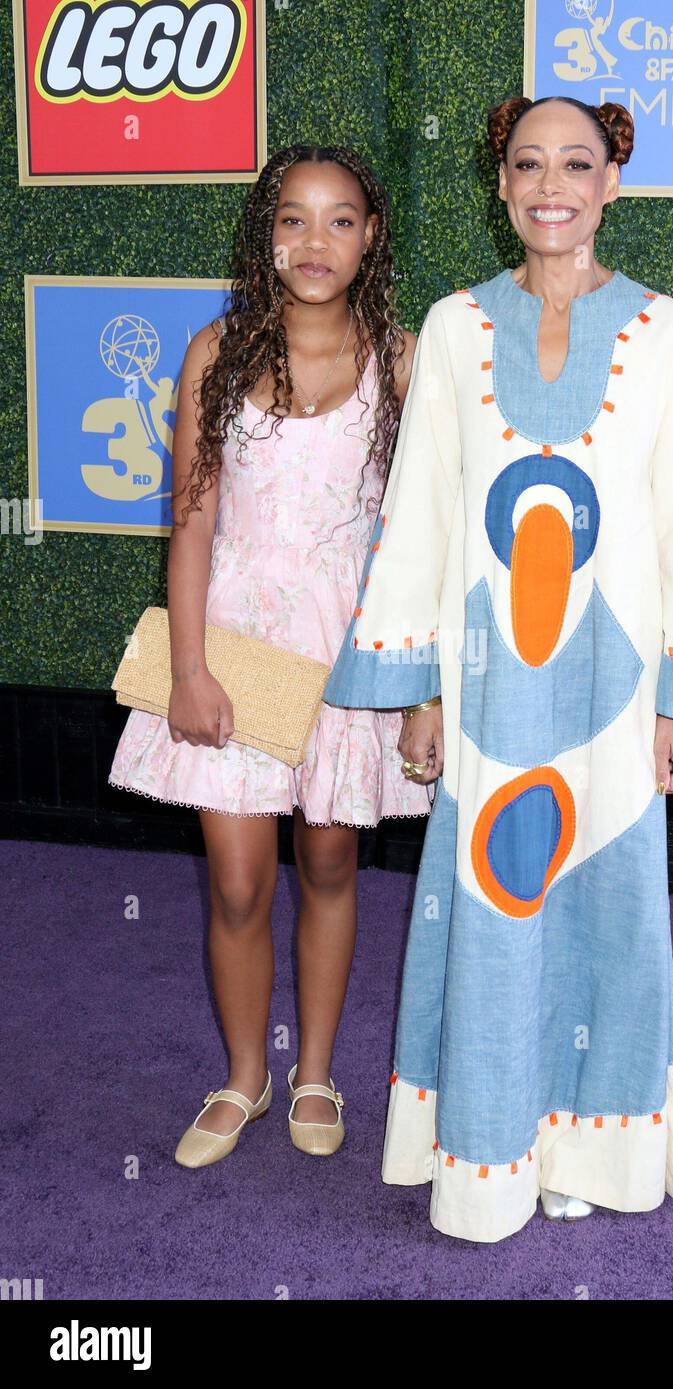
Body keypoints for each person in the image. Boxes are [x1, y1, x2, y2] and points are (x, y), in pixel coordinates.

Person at [322, 96, 673, 1242]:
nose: (551, 184)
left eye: (577, 162)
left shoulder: (666, 332)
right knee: (495, 905)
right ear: (501, 184)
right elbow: (416, 516)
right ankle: (486, 1146)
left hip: (612, 699)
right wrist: (419, 690)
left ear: (611, 181)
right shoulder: (454, 327)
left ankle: (588, 1148)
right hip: (484, 699)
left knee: (607, 910)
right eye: (528, 164)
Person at [108, 145, 432, 1168]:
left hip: (347, 649)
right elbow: (192, 523)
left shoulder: (406, 357)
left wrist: (418, 684)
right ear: (265, 233)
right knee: (239, 880)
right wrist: (192, 670)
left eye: (340, 220)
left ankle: (316, 1072)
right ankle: (244, 1077)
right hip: (235, 647)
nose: (314, 242)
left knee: (329, 860)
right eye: (292, 218)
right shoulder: (216, 350)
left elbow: (422, 535)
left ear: (370, 237)